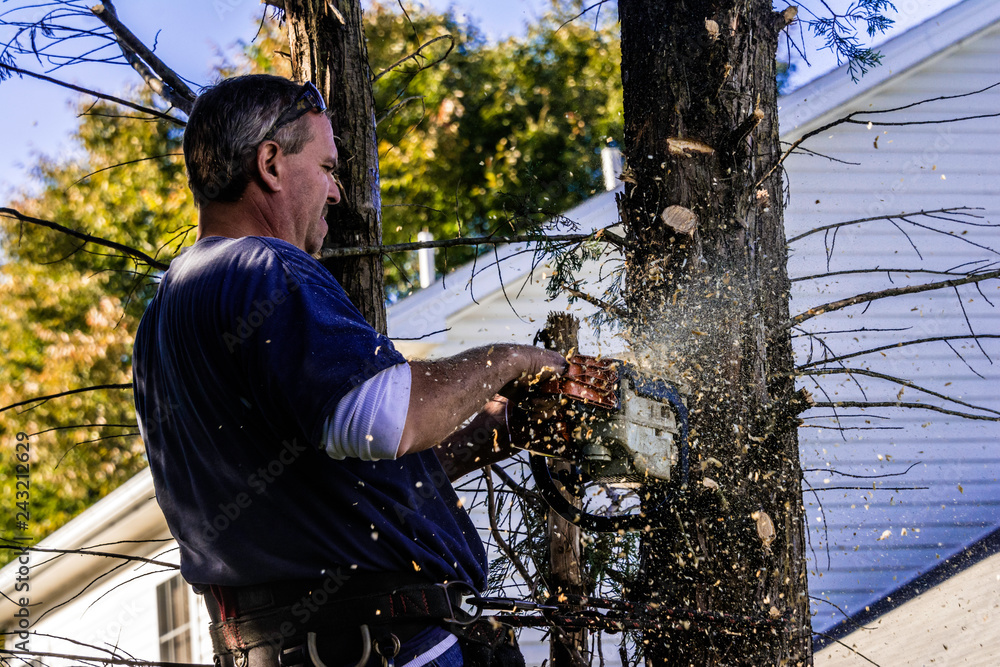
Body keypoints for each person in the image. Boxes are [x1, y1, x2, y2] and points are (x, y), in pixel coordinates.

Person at [131, 74, 566, 667]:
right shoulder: (263, 268)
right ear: (270, 164)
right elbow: (381, 420)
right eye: (329, 167)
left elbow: (333, 480)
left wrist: (500, 430)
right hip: (368, 646)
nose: (338, 193)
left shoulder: (164, 314)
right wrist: (509, 359)